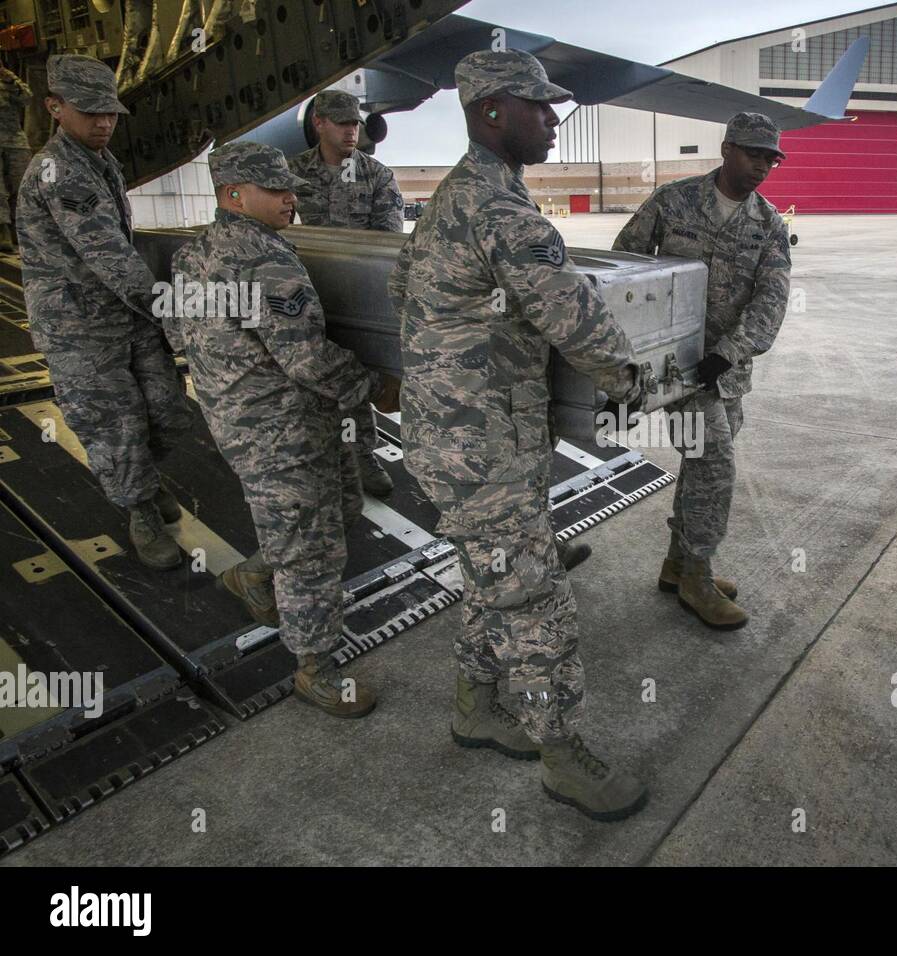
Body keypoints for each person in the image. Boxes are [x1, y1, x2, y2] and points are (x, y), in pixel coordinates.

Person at [389, 49, 647, 821]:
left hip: (463, 433)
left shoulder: (450, 200)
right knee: (532, 595)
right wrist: (635, 381)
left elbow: (403, 290)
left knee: (490, 574)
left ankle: (475, 706)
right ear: (493, 111)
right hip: (484, 445)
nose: (554, 119)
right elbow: (575, 316)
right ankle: (562, 752)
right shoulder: (501, 210)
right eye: (540, 107)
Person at [171, 141, 399, 718]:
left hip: (238, 421)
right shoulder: (268, 261)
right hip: (284, 432)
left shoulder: (192, 254)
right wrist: (375, 388)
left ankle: (251, 575)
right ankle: (315, 668)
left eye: (290, 188)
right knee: (312, 553)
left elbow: (178, 337)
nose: (290, 200)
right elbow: (307, 360)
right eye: (275, 190)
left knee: (340, 509)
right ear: (234, 194)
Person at [612, 111, 791, 631]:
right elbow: (623, 262)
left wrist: (731, 351)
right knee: (713, 465)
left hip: (724, 371)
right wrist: (640, 341)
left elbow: (772, 299)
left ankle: (677, 564)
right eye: (754, 153)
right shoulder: (674, 201)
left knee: (697, 465)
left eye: (771, 158)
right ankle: (698, 574)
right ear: (727, 148)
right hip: (675, 369)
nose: (763, 165)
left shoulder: (769, 224)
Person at [16, 54, 191, 570]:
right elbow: (113, 257)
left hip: (124, 315)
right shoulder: (58, 171)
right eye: (90, 111)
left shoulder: (99, 160)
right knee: (115, 426)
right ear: (54, 107)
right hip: (79, 327)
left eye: (110, 112)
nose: (104, 122)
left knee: (168, 411)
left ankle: (144, 480)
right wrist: (177, 317)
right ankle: (139, 511)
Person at [289, 88, 405, 496]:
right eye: (342, 123)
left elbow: (389, 247)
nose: (352, 130)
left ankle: (362, 457)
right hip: (305, 292)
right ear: (319, 123)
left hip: (358, 298)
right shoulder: (294, 172)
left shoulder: (376, 175)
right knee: (309, 379)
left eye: (355, 123)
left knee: (354, 378)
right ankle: (321, 463)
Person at [0, 63, 33, 252]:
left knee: (22, 187)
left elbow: (27, 99)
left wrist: (9, 79)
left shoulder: (8, 78)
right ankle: (3, 232)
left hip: (15, 141)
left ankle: (20, 230)